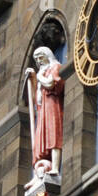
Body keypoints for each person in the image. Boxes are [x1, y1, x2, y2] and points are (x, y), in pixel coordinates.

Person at [27, 46, 64, 176]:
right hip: (43, 108)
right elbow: (34, 98)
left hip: (52, 105)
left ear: (47, 55)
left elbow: (51, 84)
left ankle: (54, 167)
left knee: (53, 135)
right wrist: (32, 79)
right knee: (45, 137)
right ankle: (42, 168)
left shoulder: (55, 66)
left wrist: (38, 76)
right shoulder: (42, 72)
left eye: (41, 57)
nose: (39, 61)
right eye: (36, 59)